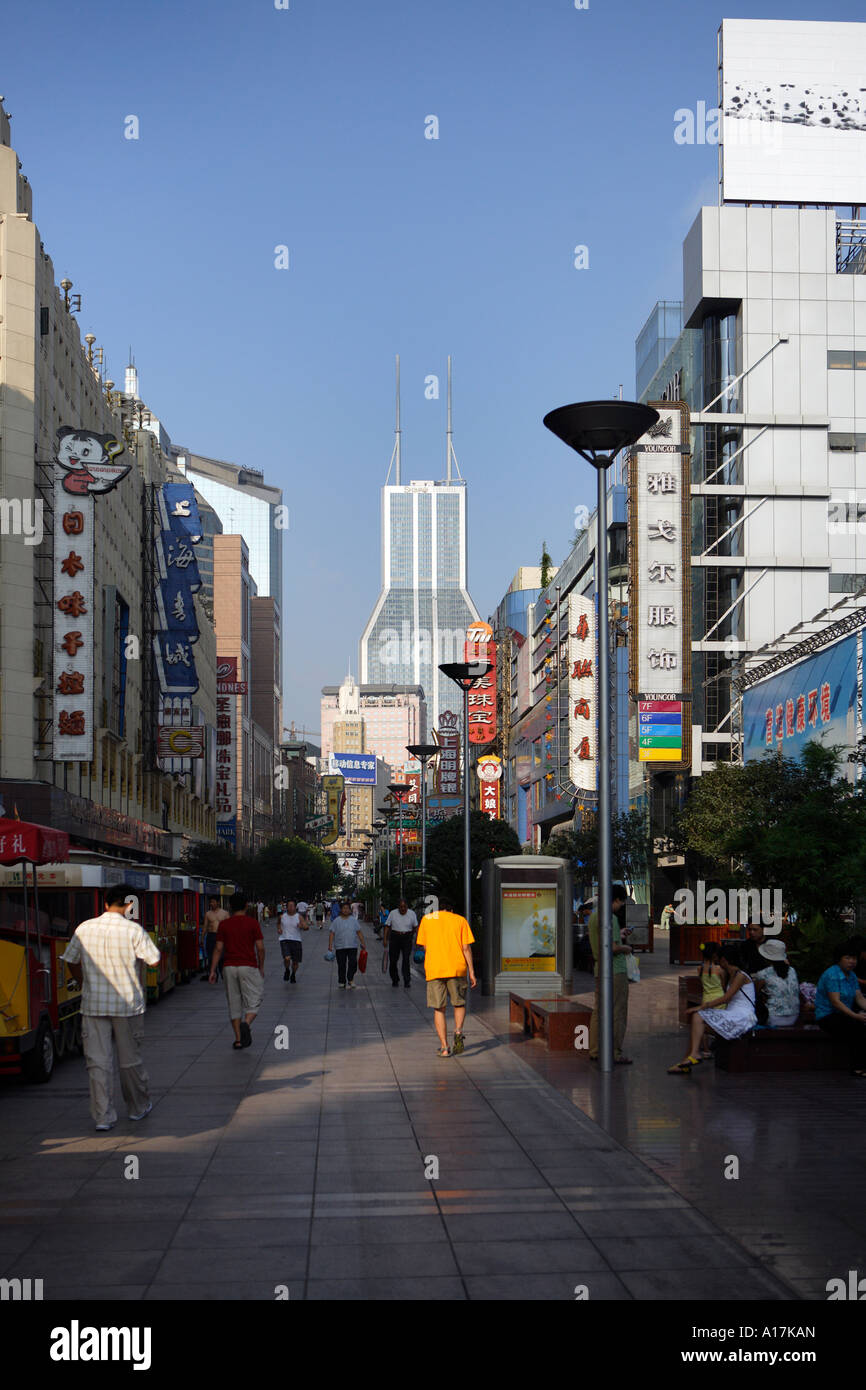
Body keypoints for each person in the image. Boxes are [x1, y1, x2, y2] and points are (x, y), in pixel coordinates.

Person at [61, 884, 161, 1131]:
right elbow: (154, 960)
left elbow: (70, 960)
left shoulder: (84, 928)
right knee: (130, 1061)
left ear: (105, 904)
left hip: (93, 1004)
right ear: (129, 905)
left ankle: (103, 1117)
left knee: (98, 1062)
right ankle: (138, 1108)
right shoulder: (133, 930)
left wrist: (85, 981)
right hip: (127, 1005)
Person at [668, 941, 757, 1073]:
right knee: (696, 1022)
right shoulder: (731, 974)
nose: (717, 961)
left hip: (743, 1017)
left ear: (725, 960)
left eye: (719, 959)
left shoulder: (740, 976)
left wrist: (703, 1006)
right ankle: (689, 1057)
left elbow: (727, 997)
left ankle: (691, 1057)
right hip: (732, 1013)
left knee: (698, 1017)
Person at [415, 896, 476, 1058]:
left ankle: (444, 1047)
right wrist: (472, 972)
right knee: (459, 1003)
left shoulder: (427, 920)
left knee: (439, 1008)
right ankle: (458, 1030)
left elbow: (424, 945)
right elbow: (466, 948)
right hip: (457, 969)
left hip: (435, 969)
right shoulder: (460, 920)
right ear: (452, 910)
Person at [209, 893, 265, 1049]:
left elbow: (218, 948)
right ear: (246, 905)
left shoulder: (224, 925)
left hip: (228, 967)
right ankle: (246, 1023)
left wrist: (213, 970)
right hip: (248, 966)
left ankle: (239, 1040)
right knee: (255, 998)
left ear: (230, 907)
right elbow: (260, 948)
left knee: (233, 1003)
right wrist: (261, 966)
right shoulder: (252, 923)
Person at [587, 885, 632, 1064]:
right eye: (621, 902)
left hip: (600, 970)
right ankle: (614, 1052)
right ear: (616, 900)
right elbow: (613, 948)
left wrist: (619, 935)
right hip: (615, 970)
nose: (620, 906)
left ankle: (596, 1050)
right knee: (618, 1012)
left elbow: (603, 939)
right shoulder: (611, 917)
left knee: (599, 1011)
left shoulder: (594, 916)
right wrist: (626, 947)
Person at [815, 940, 866, 1077]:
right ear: (839, 959)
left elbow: (859, 998)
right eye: (847, 958)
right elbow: (836, 1002)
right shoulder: (832, 974)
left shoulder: (852, 975)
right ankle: (858, 1068)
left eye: (854, 958)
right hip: (827, 1016)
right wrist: (855, 1016)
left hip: (844, 1014)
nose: (852, 961)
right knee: (857, 1029)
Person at [753, 939, 800, 1028]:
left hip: (774, 1017)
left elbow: (754, 994)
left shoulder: (763, 974)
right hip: (794, 1016)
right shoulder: (792, 970)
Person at [694, 940, 726, 1058]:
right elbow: (723, 986)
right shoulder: (720, 970)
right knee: (719, 1022)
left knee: (704, 1023)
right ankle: (720, 1046)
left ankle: (706, 1050)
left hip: (706, 998)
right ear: (714, 955)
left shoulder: (699, 969)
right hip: (719, 998)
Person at [329, 900, 366, 988]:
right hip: (340, 946)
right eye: (343, 908)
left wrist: (363, 943)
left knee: (353, 963)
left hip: (352, 946)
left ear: (350, 910)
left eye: (347, 908)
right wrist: (330, 945)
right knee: (341, 964)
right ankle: (342, 981)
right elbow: (332, 933)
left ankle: (350, 979)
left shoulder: (353, 920)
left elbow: (359, 932)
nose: (345, 910)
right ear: (341, 910)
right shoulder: (336, 921)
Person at [384, 898, 418, 988]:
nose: (403, 909)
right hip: (395, 937)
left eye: (404, 907)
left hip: (407, 937)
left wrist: (417, 939)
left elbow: (415, 927)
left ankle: (407, 980)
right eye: (401, 907)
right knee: (393, 960)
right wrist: (385, 939)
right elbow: (387, 926)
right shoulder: (393, 913)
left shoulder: (412, 914)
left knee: (406, 959)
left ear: (407, 906)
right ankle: (395, 979)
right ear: (398, 907)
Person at [278, 899, 308, 983]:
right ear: (286, 907)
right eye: (289, 906)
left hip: (296, 940)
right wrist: (279, 929)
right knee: (287, 958)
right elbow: (278, 924)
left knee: (295, 962)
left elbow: (306, 927)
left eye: (292, 906)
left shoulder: (299, 916)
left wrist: (302, 926)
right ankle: (287, 970)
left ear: (295, 907)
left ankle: (293, 974)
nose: (291, 907)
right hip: (284, 939)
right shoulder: (282, 916)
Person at [202, 896, 228, 980]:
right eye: (210, 902)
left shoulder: (224, 913)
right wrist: (202, 938)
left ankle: (221, 971)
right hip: (211, 936)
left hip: (221, 936)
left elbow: (229, 927)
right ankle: (213, 973)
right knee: (210, 956)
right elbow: (205, 927)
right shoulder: (208, 914)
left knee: (222, 956)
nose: (211, 904)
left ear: (218, 902)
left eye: (213, 902)